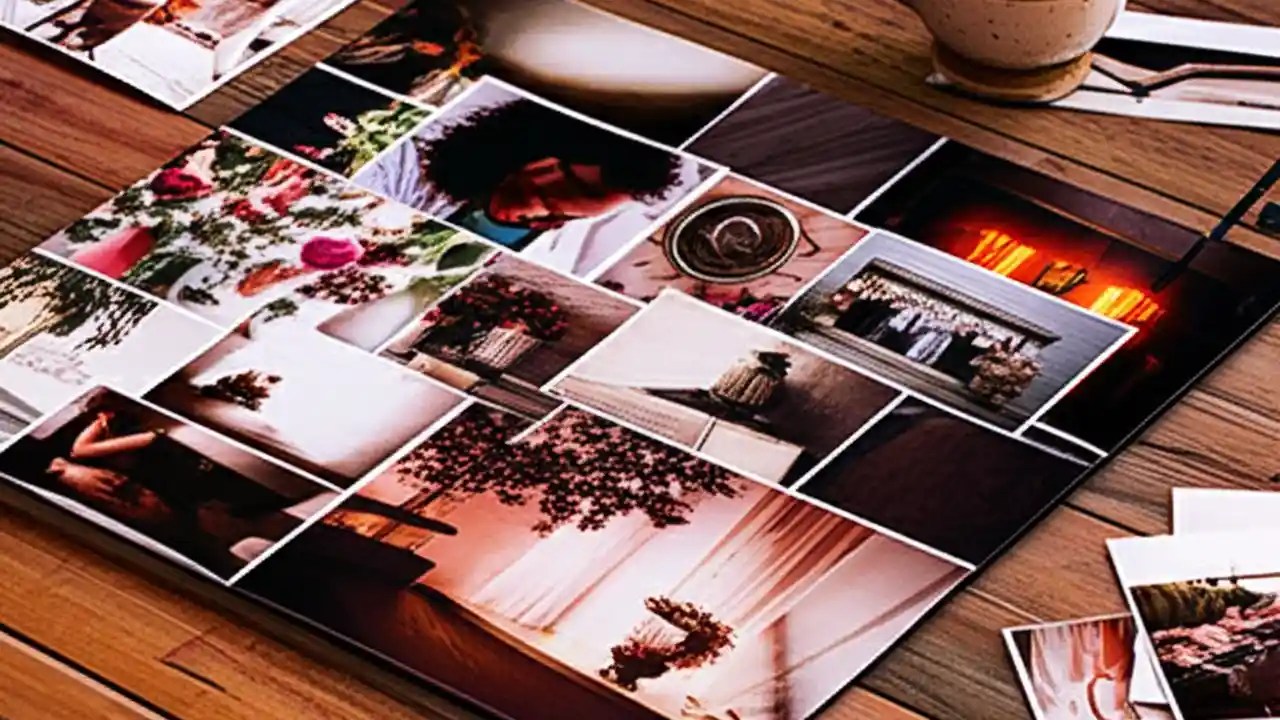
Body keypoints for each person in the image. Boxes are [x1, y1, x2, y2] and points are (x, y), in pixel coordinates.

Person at [356, 94, 698, 274]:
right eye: (549, 207)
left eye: (561, 221)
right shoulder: (391, 171)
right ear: (541, 165)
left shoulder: (464, 197)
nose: (543, 226)